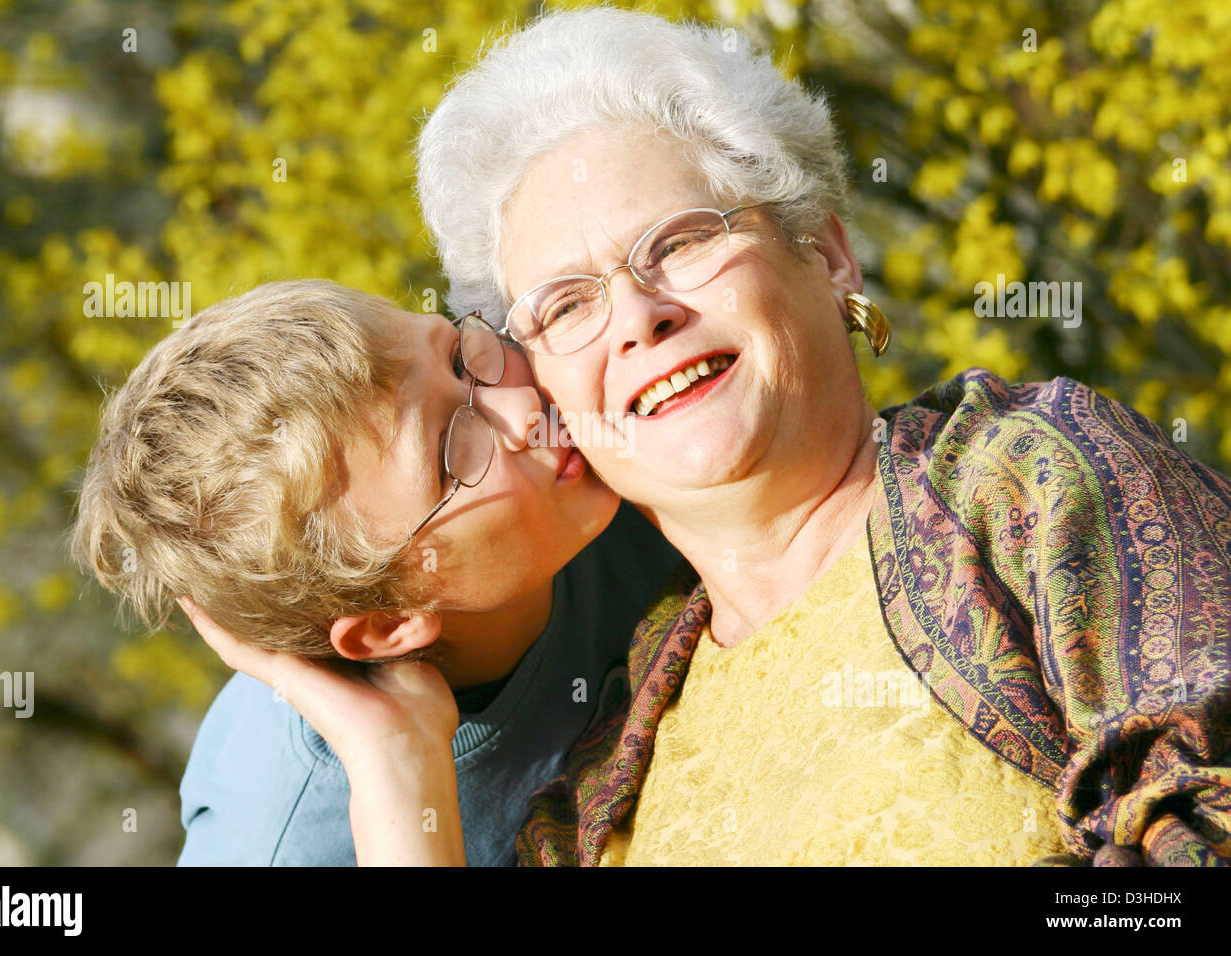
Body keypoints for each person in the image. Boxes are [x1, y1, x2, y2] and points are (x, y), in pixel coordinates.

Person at [411, 6, 1231, 865]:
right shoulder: (597, 787)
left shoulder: (1035, 484)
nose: (638, 318)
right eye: (567, 306)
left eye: (681, 242)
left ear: (827, 254)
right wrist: (394, 762)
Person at [69, 279, 683, 865]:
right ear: (390, 623)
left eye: (459, 357)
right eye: (452, 453)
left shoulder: (590, 444)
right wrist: (398, 767)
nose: (524, 409)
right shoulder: (291, 843)